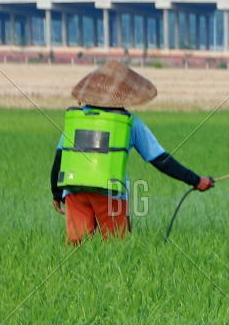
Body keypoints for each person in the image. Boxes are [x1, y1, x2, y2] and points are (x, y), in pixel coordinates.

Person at [50, 61, 214, 244]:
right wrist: (196, 180)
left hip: (74, 191)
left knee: (76, 247)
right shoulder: (128, 123)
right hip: (111, 193)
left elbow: (60, 158)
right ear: (125, 95)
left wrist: (57, 193)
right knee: (115, 248)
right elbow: (161, 160)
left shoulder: (77, 119)